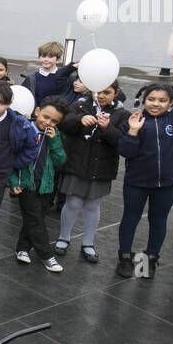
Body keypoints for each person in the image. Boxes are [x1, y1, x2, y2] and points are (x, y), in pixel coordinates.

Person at [115, 55, 173, 278]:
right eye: (151, 99)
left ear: (171, 103)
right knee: (130, 218)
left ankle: (150, 259)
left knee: (158, 221)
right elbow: (125, 151)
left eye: (162, 100)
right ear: (145, 100)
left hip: (166, 184)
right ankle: (125, 257)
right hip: (136, 182)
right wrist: (133, 131)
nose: (156, 103)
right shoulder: (133, 121)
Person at [55, 82, 126, 263]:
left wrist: (107, 128)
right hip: (77, 164)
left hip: (101, 168)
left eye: (107, 92)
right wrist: (79, 120)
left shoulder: (122, 114)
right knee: (72, 202)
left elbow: (122, 142)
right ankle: (64, 237)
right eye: (98, 91)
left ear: (116, 93)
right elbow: (63, 124)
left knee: (93, 205)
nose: (101, 95)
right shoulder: (80, 105)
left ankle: (88, 243)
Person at [0, 83, 40, 266]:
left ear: (10, 103)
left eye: (1, 103)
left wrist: (14, 164)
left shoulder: (18, 123)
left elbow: (31, 146)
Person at [10, 97, 68, 273]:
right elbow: (12, 158)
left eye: (54, 121)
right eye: (45, 117)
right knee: (35, 219)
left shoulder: (55, 135)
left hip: (46, 185)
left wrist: (55, 141)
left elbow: (61, 160)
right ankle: (46, 255)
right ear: (37, 112)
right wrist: (13, 181)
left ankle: (22, 247)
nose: (48, 122)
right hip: (27, 184)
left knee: (36, 218)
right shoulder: (25, 130)